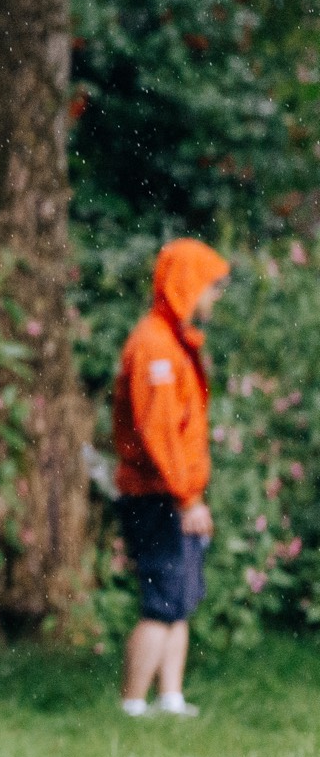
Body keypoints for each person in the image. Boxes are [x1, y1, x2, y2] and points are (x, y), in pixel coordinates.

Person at [113, 238, 229, 719]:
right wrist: (186, 499)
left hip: (175, 495)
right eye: (211, 286)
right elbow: (158, 434)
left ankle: (171, 698)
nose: (215, 296)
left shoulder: (173, 341)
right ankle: (133, 705)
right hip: (157, 496)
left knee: (179, 599)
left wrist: (190, 495)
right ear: (188, 284)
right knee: (161, 600)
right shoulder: (154, 347)